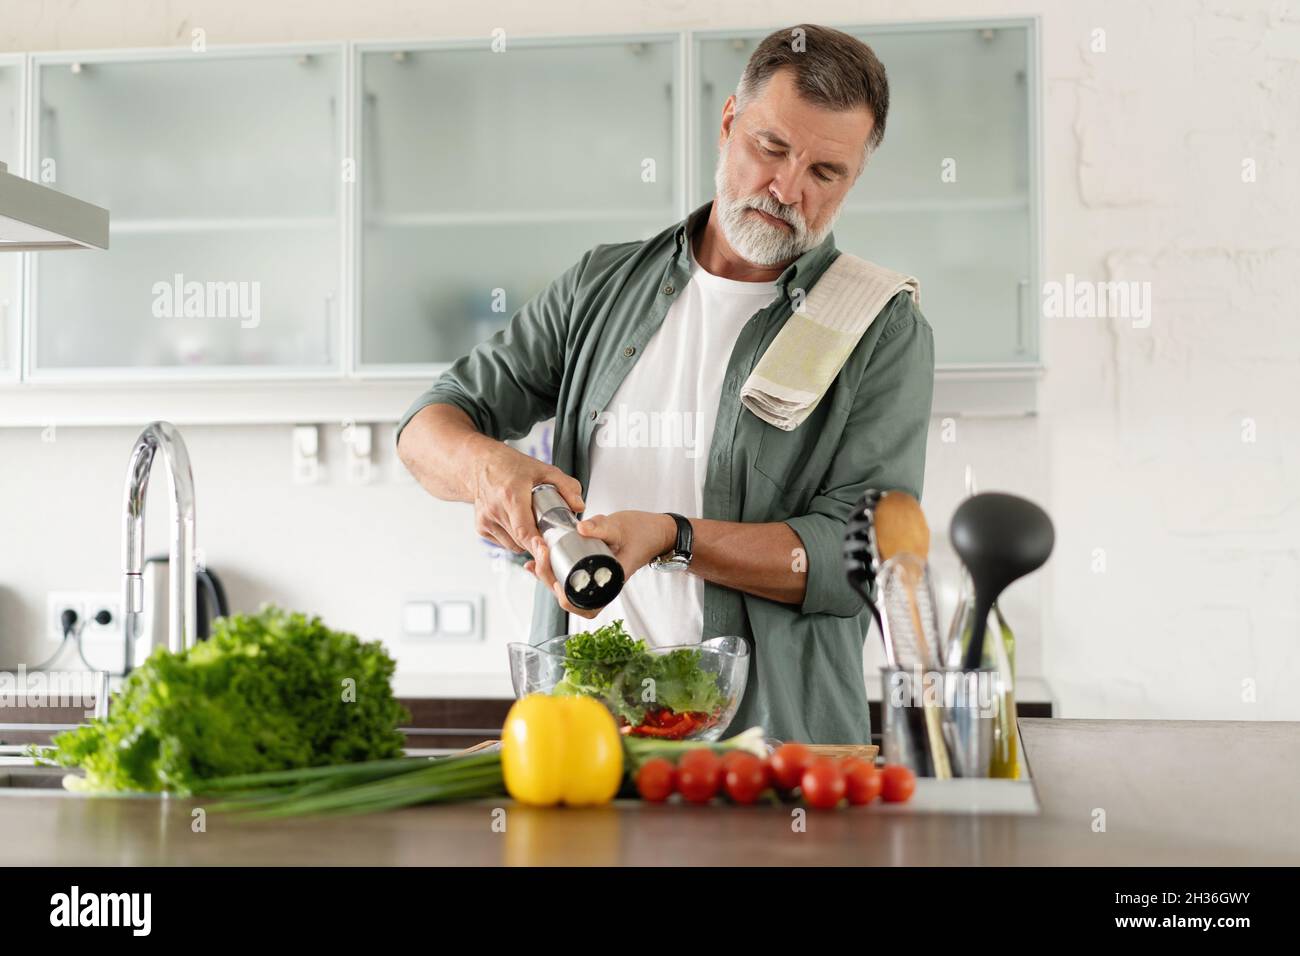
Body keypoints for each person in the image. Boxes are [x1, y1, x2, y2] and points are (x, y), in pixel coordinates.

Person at [397, 23, 934, 743]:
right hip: (582, 740)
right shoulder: (601, 284)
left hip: (768, 755)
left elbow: (861, 556)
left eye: (824, 173)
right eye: (770, 149)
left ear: (852, 179)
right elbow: (430, 424)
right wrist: (489, 468)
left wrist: (674, 538)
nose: (786, 189)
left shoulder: (876, 324)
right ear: (729, 124)